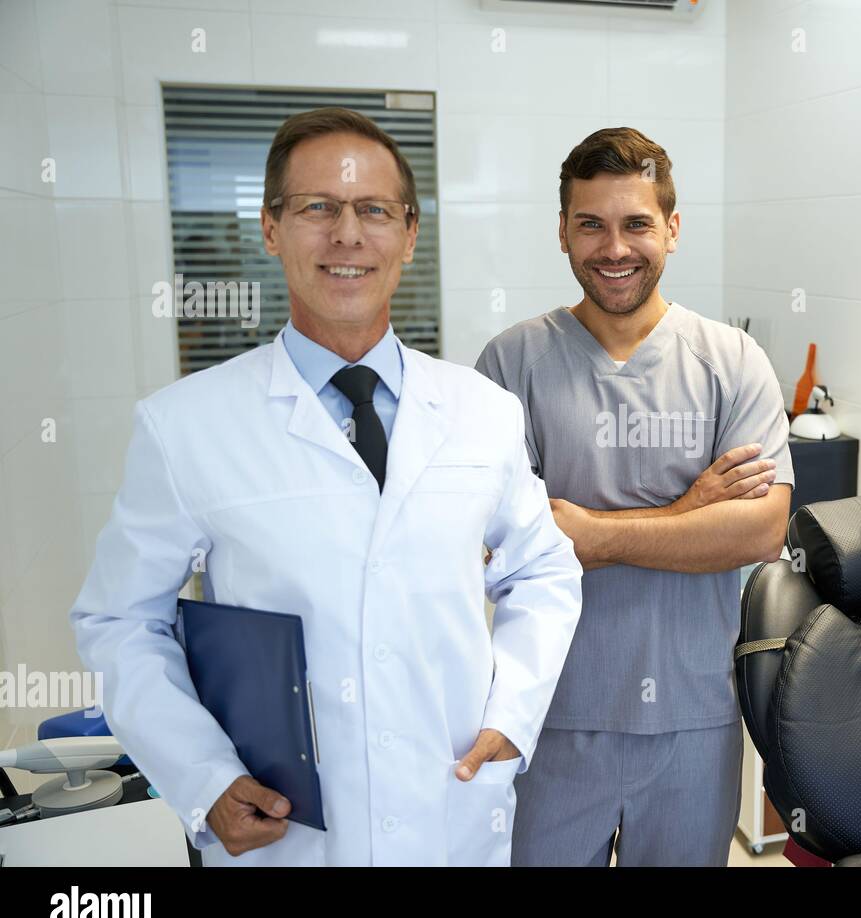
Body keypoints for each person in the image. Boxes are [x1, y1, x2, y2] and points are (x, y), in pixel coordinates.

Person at [71, 108, 582, 866]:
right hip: (290, 835)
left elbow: (543, 570)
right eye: (318, 207)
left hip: (453, 814)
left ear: (409, 234)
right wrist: (203, 775)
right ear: (271, 228)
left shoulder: (482, 411)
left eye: (374, 210)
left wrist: (514, 712)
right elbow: (119, 619)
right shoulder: (185, 426)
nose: (348, 235)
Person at [476, 127, 794, 866]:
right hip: (548, 713)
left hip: (693, 719)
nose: (613, 247)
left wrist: (595, 533)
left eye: (636, 224)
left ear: (672, 230)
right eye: (590, 224)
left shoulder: (730, 361)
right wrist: (687, 514)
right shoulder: (511, 363)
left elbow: (759, 531)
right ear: (562, 232)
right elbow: (500, 546)